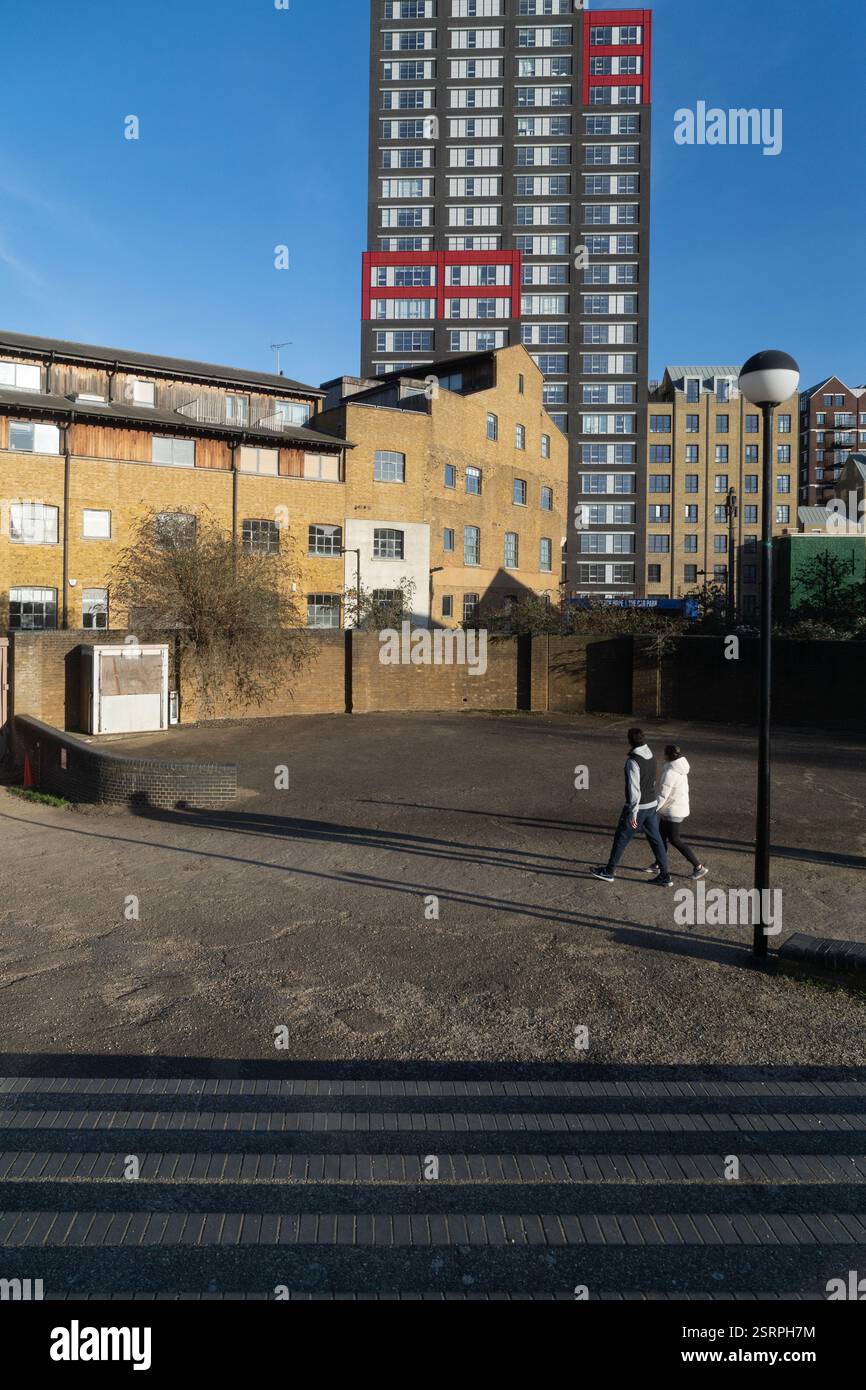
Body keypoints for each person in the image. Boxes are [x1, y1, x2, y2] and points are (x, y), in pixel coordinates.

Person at [591, 728, 672, 886]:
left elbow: (634, 789)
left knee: (621, 838)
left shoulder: (633, 761)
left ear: (629, 740)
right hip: (651, 806)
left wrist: (633, 813)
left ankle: (609, 871)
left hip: (638, 808)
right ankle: (665, 875)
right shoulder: (650, 754)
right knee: (656, 841)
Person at [645, 744, 709, 881]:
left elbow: (663, 795)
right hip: (674, 808)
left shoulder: (670, 772)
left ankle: (698, 867)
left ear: (667, 755)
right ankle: (657, 863)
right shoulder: (680, 768)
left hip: (672, 811)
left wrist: (652, 809)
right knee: (661, 837)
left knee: (674, 839)